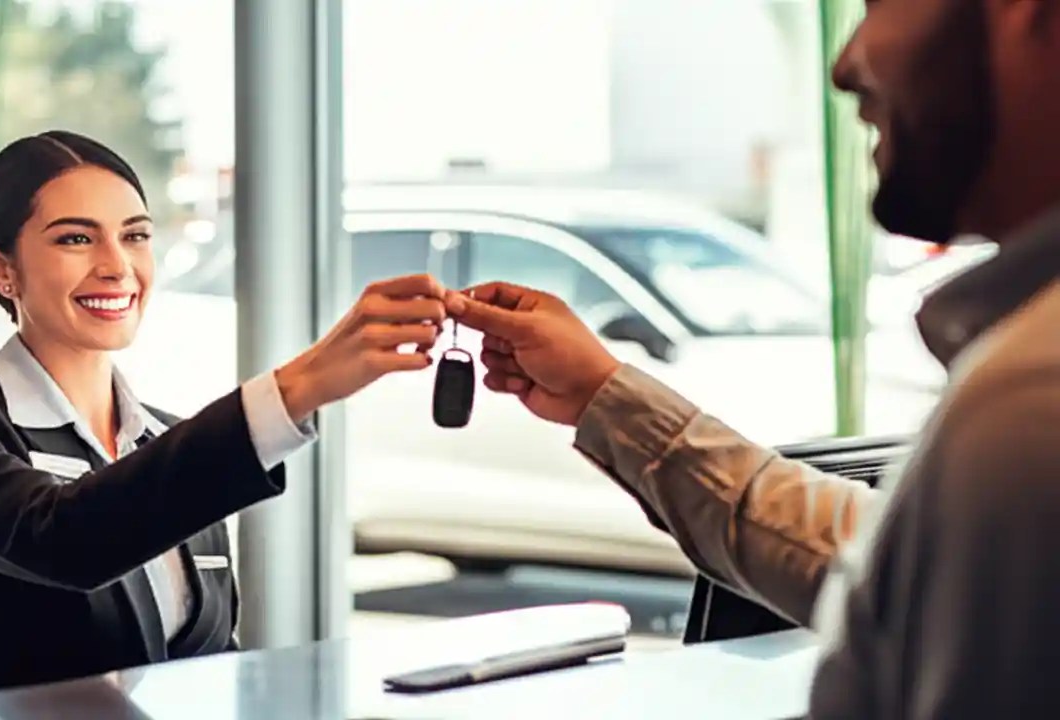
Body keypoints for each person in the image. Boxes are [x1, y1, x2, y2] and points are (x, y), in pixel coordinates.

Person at [444, 1, 1060, 717]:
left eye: (881, 4)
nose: (845, 66)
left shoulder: (1028, 407)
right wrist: (602, 393)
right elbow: (886, 569)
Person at [0, 130, 448, 698]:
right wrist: (295, 389)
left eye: (135, 236)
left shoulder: (166, 443)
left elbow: (212, 666)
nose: (116, 265)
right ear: (0, 268)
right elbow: (62, 539)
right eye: (76, 238)